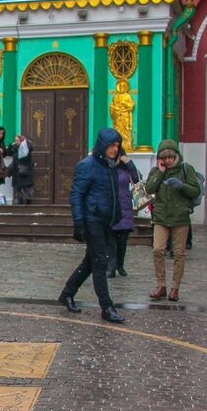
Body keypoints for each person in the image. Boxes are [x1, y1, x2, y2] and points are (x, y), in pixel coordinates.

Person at [58, 128, 126, 323]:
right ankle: (106, 307)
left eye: (117, 145)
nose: (115, 148)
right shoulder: (87, 165)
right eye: (112, 145)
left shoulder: (111, 165)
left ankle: (67, 293)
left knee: (90, 261)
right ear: (103, 145)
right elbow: (76, 194)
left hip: (105, 219)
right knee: (100, 262)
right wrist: (78, 221)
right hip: (91, 219)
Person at [144, 139, 200, 302]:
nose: (168, 161)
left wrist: (181, 186)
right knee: (158, 250)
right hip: (161, 217)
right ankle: (161, 285)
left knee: (179, 253)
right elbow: (149, 189)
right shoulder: (156, 170)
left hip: (180, 217)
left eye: (171, 157)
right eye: (165, 158)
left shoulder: (186, 169)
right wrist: (160, 173)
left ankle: (175, 287)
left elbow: (195, 190)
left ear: (176, 156)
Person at [107, 150, 141, 278]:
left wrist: (129, 163)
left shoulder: (126, 169)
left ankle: (119, 265)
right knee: (110, 239)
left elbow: (137, 179)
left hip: (124, 207)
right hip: (110, 207)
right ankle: (111, 267)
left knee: (122, 240)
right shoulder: (106, 168)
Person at [8, 134, 34, 205]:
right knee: (18, 192)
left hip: (24, 173)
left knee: (25, 191)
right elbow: (9, 154)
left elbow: (30, 148)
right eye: (15, 140)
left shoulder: (25, 149)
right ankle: (18, 204)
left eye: (18, 140)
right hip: (17, 174)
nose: (16, 142)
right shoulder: (14, 149)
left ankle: (26, 203)